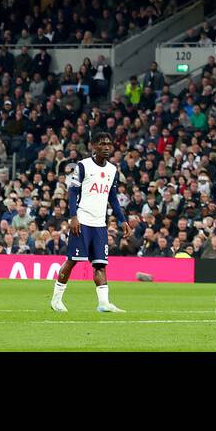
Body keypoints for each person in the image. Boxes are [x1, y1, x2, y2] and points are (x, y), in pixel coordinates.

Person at [50, 130, 129, 313]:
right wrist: (74, 217)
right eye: (102, 143)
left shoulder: (112, 170)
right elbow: (73, 192)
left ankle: (103, 304)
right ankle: (56, 300)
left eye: (109, 143)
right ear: (93, 146)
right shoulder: (83, 166)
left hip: (100, 224)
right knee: (72, 261)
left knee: (100, 264)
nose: (107, 147)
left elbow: (113, 198)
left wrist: (122, 220)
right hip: (83, 221)